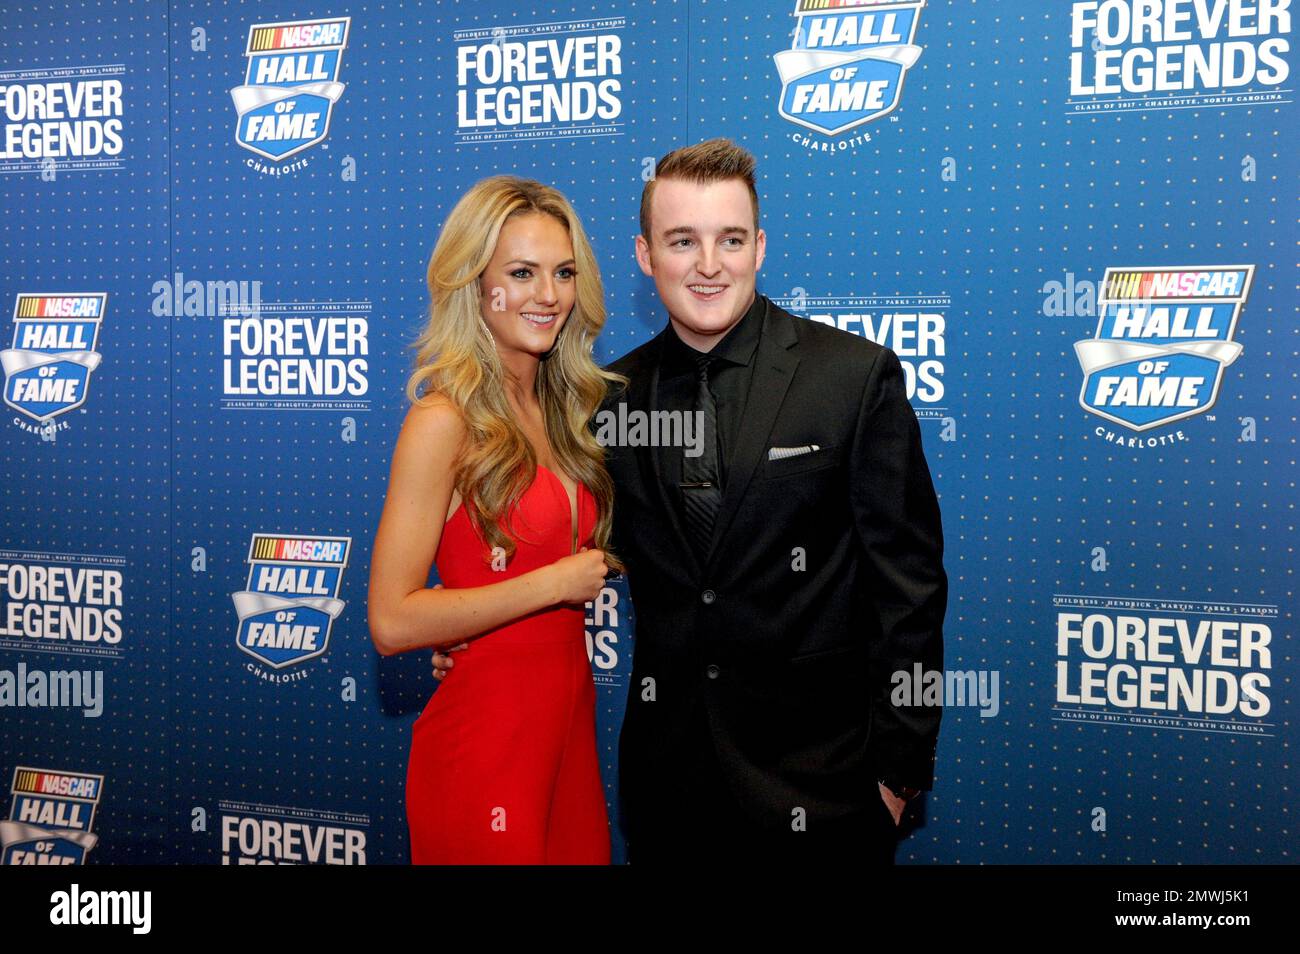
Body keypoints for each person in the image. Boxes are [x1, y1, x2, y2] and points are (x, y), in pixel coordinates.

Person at [437, 139, 947, 864]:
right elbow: (558, 542)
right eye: (683, 241)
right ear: (646, 256)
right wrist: (471, 636)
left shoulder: (852, 378)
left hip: (825, 798)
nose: (709, 265)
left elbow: (912, 592)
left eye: (730, 239)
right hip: (668, 797)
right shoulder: (602, 402)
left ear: (759, 246)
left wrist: (900, 775)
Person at [368, 175, 620, 864]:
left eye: (564, 273)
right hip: (484, 752)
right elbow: (391, 621)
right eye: (522, 273)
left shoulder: (562, 413)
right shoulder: (441, 421)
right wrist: (551, 585)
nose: (548, 295)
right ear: (476, 284)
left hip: (567, 741)